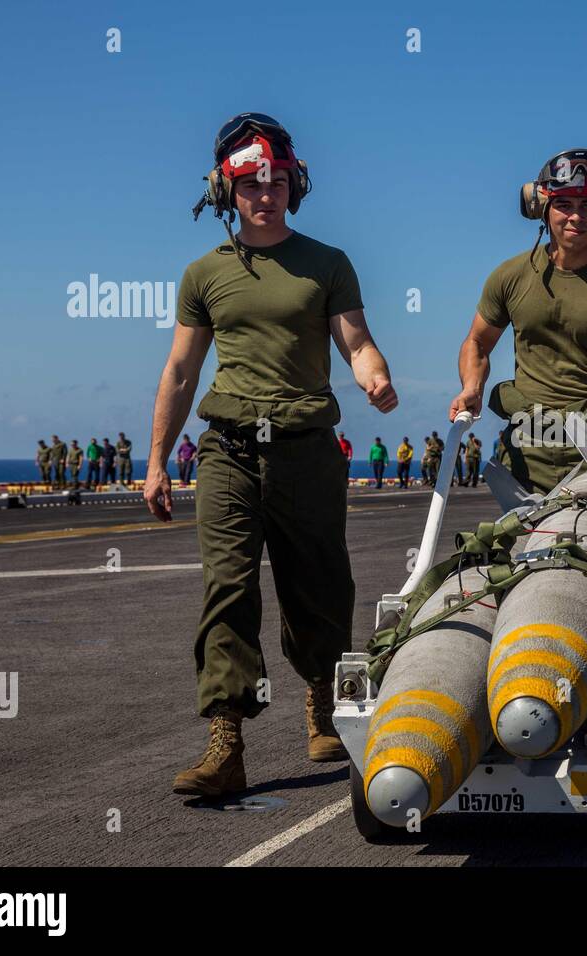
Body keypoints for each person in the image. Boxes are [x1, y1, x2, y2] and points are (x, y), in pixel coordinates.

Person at [147, 112, 398, 798]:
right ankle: (225, 744)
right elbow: (179, 371)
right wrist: (157, 460)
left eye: (278, 181)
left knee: (318, 586)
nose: (266, 193)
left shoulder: (327, 264)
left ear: (295, 184)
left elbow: (356, 339)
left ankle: (321, 699)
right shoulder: (205, 274)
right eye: (252, 183)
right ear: (227, 191)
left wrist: (373, 372)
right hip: (227, 451)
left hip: (307, 450)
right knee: (228, 590)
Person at [448, 148, 587, 508]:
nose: (575, 216)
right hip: (526, 456)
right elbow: (477, 342)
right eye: (564, 203)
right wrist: (471, 388)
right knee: (519, 560)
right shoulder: (509, 277)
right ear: (541, 208)